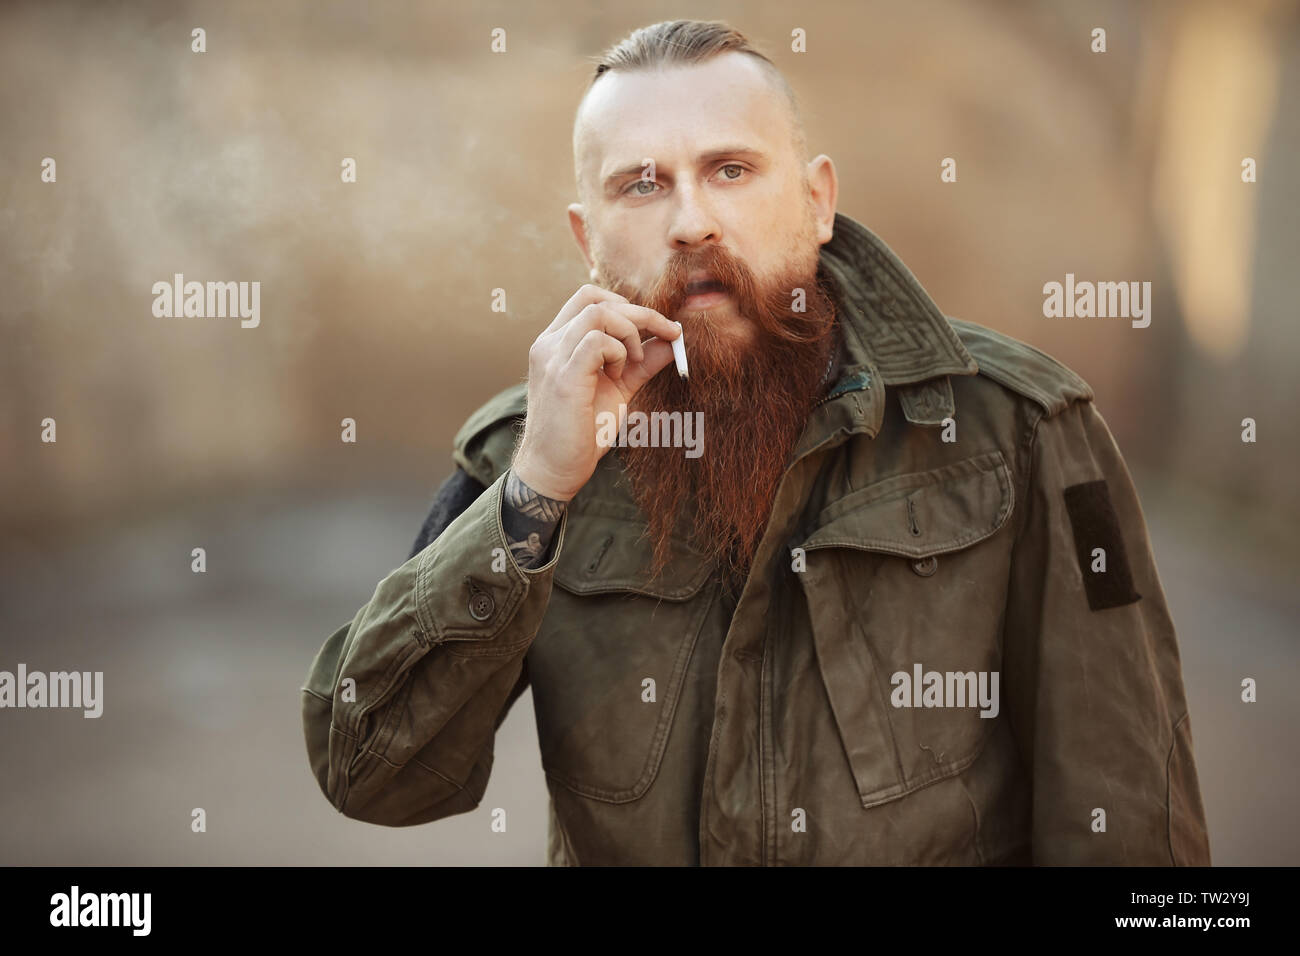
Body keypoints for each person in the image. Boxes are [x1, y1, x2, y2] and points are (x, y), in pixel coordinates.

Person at [300, 19, 1212, 866]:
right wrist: (535, 495)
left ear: (817, 201)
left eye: (730, 169)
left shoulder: (1022, 428)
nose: (691, 221)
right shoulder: (525, 455)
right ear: (588, 239)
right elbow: (369, 769)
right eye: (641, 184)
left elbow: (1129, 817)